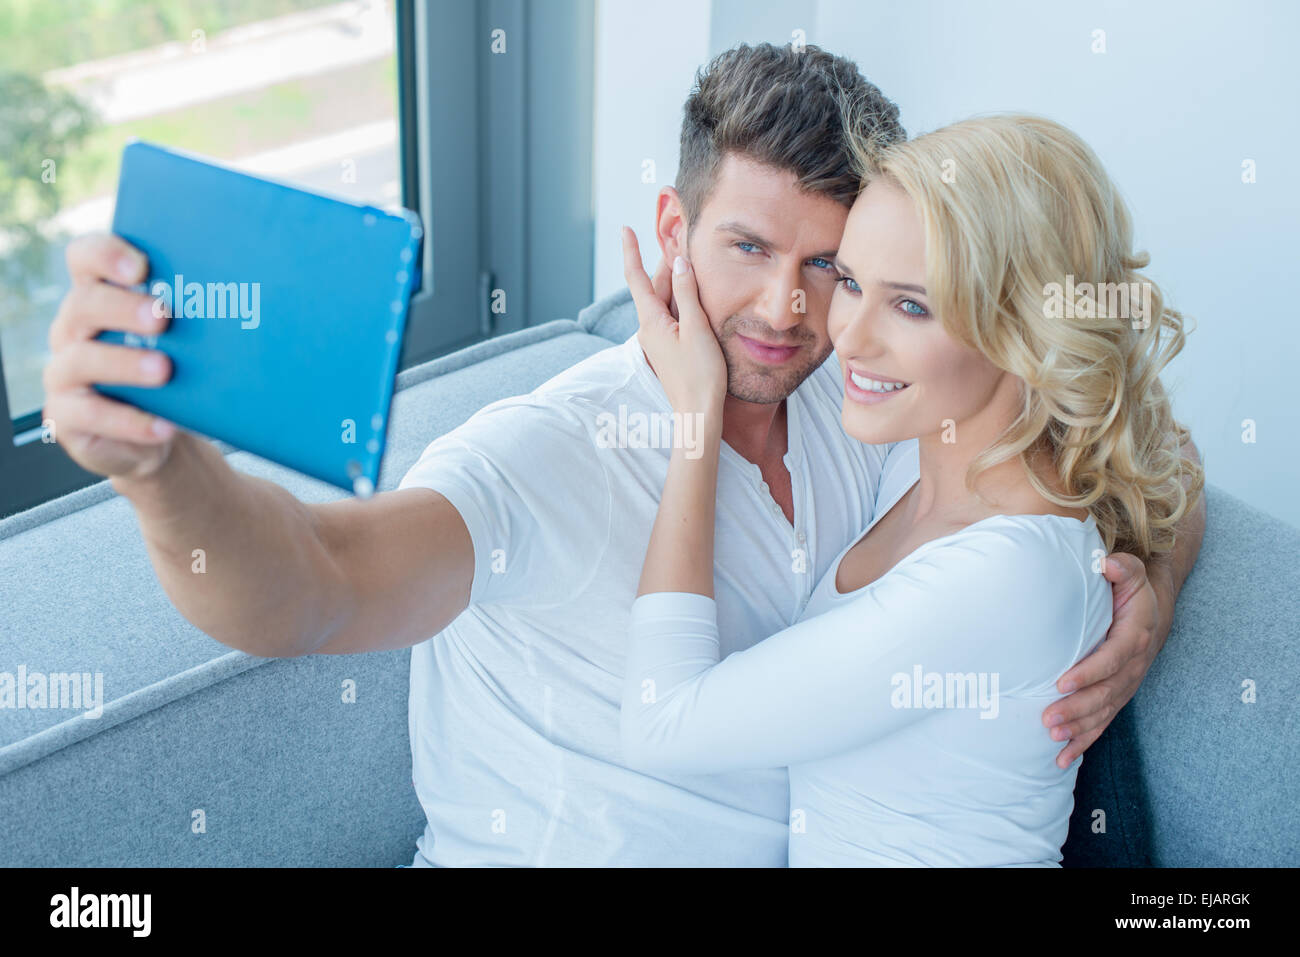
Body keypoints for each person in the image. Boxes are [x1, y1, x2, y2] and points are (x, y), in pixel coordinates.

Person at [40, 44, 1204, 866]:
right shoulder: (552, 451)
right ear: (670, 233)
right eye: (746, 247)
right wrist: (163, 475)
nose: (792, 310)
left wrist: (1145, 591)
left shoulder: (866, 410)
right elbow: (311, 587)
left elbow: (1131, 454)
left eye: (829, 267)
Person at [620, 111, 1205, 866]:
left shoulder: (1005, 571)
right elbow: (1173, 448)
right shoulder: (932, 459)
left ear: (1027, 331)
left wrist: (696, 414)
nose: (849, 336)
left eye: (911, 305)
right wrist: (1159, 580)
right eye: (850, 281)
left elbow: (661, 724)